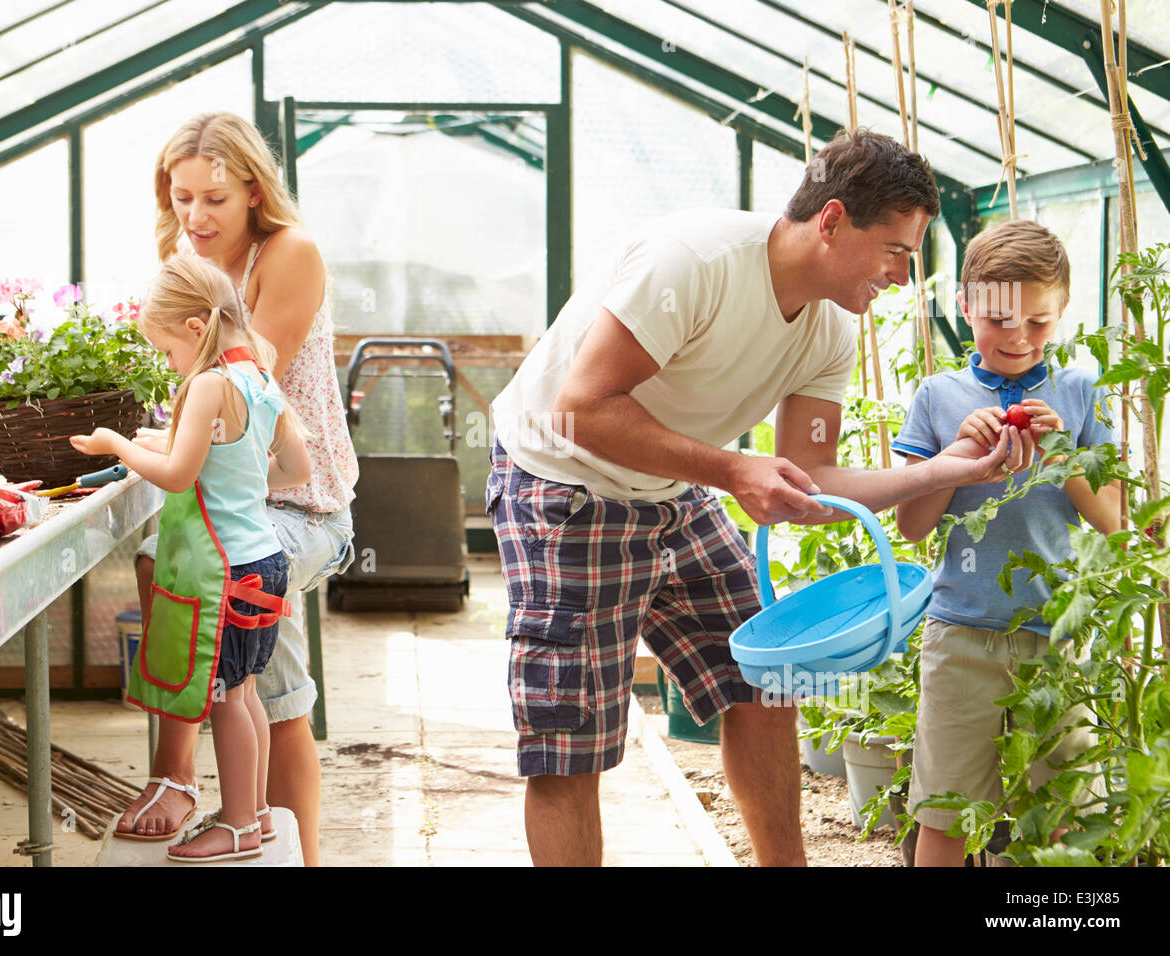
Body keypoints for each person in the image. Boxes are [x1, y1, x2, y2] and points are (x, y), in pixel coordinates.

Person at [486, 128, 1030, 867]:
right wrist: (736, 470)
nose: (902, 278)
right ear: (833, 221)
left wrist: (946, 471)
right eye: (897, 252)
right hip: (564, 484)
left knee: (768, 681)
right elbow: (579, 410)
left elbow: (815, 476)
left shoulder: (828, 333)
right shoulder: (695, 264)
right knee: (570, 741)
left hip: (677, 487)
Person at [114, 112, 359, 866]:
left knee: (193, 584)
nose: (194, 216)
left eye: (213, 199)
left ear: (254, 190)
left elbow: (253, 386)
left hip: (302, 507)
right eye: (181, 198)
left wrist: (157, 439)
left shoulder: (291, 253)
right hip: (239, 507)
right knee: (262, 686)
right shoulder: (187, 262)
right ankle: (223, 808)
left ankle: (198, 791)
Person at [892, 220, 1120, 867]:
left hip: (1060, 637)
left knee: (1068, 816)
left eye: (1039, 323)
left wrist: (1063, 457)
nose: (1018, 338)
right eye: (996, 320)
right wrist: (957, 456)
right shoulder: (938, 397)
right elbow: (911, 524)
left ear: (1063, 311)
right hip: (961, 634)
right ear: (965, 308)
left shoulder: (1080, 393)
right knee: (944, 812)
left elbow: (1113, 521)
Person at [72, 254, 312, 860]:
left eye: (169, 351)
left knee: (228, 699)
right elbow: (296, 468)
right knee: (247, 694)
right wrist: (236, 466)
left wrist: (119, 445)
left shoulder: (207, 384)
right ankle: (253, 814)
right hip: (266, 560)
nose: (170, 364)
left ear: (197, 326)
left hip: (225, 569)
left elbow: (177, 477)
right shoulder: (259, 375)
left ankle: (234, 828)